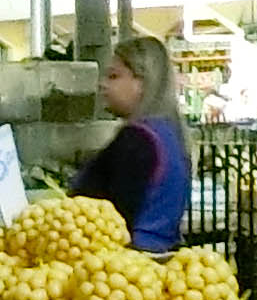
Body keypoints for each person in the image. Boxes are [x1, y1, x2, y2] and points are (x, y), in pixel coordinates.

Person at [66, 32, 195, 253]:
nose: (103, 85)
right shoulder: (171, 133)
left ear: (141, 82)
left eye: (114, 76)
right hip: (158, 255)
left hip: (128, 263)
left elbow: (112, 219)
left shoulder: (137, 139)